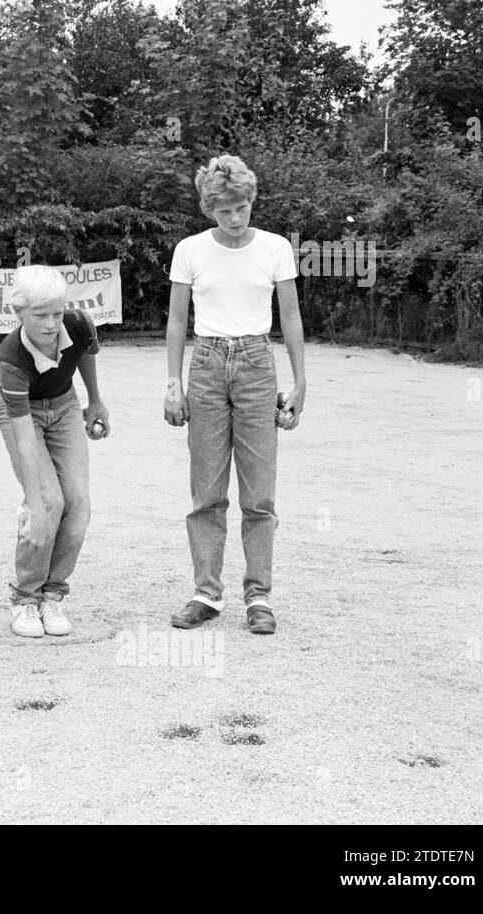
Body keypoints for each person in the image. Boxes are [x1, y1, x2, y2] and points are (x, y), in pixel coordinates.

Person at [163, 154, 306, 636]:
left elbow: (290, 318)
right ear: (210, 208)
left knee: (259, 492)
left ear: (251, 201)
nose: (235, 217)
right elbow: (177, 321)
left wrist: (300, 381)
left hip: (256, 363)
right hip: (205, 364)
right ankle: (206, 592)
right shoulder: (190, 251)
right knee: (206, 488)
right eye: (224, 210)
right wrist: (173, 383)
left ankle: (259, 596)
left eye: (242, 206)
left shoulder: (275, 248)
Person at [0, 265, 110, 638]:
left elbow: (85, 353)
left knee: (77, 503)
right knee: (47, 504)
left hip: (64, 403)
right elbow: (25, 439)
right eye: (40, 315)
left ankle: (53, 595)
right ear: (19, 313)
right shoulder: (10, 362)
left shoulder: (78, 323)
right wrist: (33, 497)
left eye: (56, 313)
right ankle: (25, 598)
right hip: (20, 410)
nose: (50, 324)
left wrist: (95, 401)